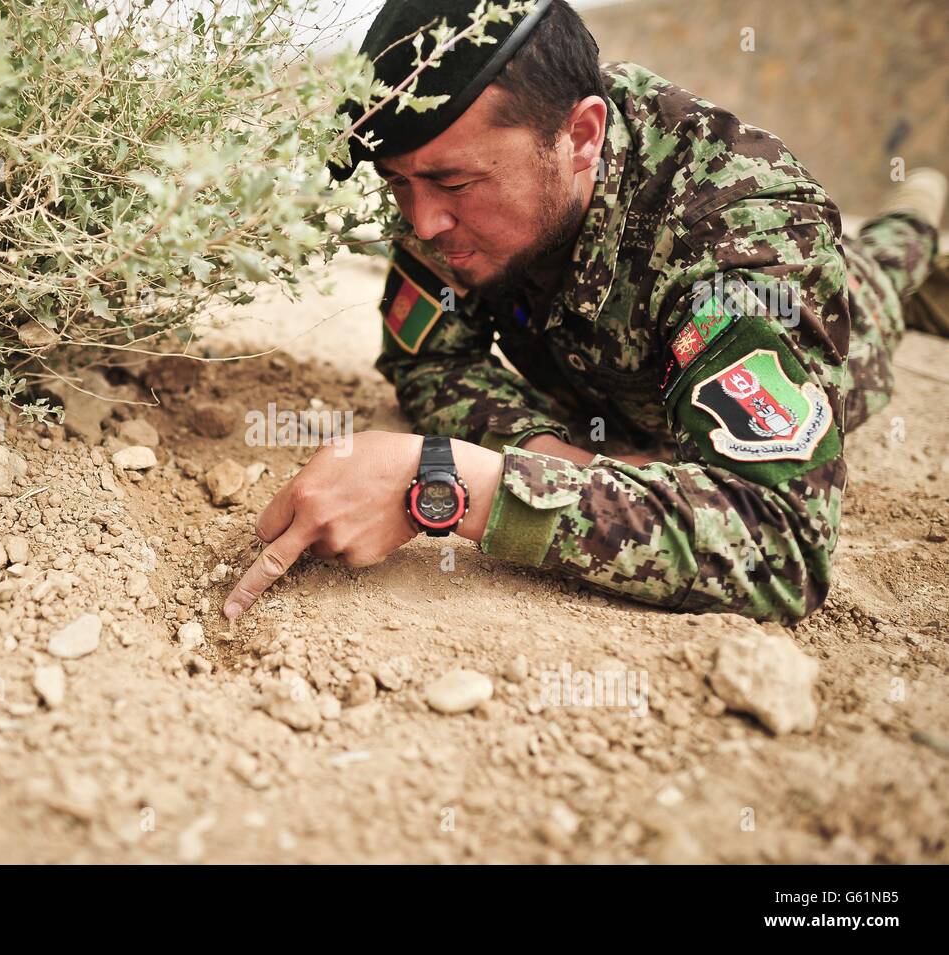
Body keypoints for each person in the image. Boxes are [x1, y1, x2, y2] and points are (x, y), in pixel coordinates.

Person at [222, 0, 947, 624]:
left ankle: (919, 205)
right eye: (399, 185)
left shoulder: (737, 229)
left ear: (581, 138)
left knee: (888, 262)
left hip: (849, 313)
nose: (423, 222)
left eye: (451, 181)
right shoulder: (449, 196)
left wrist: (447, 483)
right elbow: (431, 354)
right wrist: (544, 453)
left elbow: (783, 538)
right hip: (611, 394)